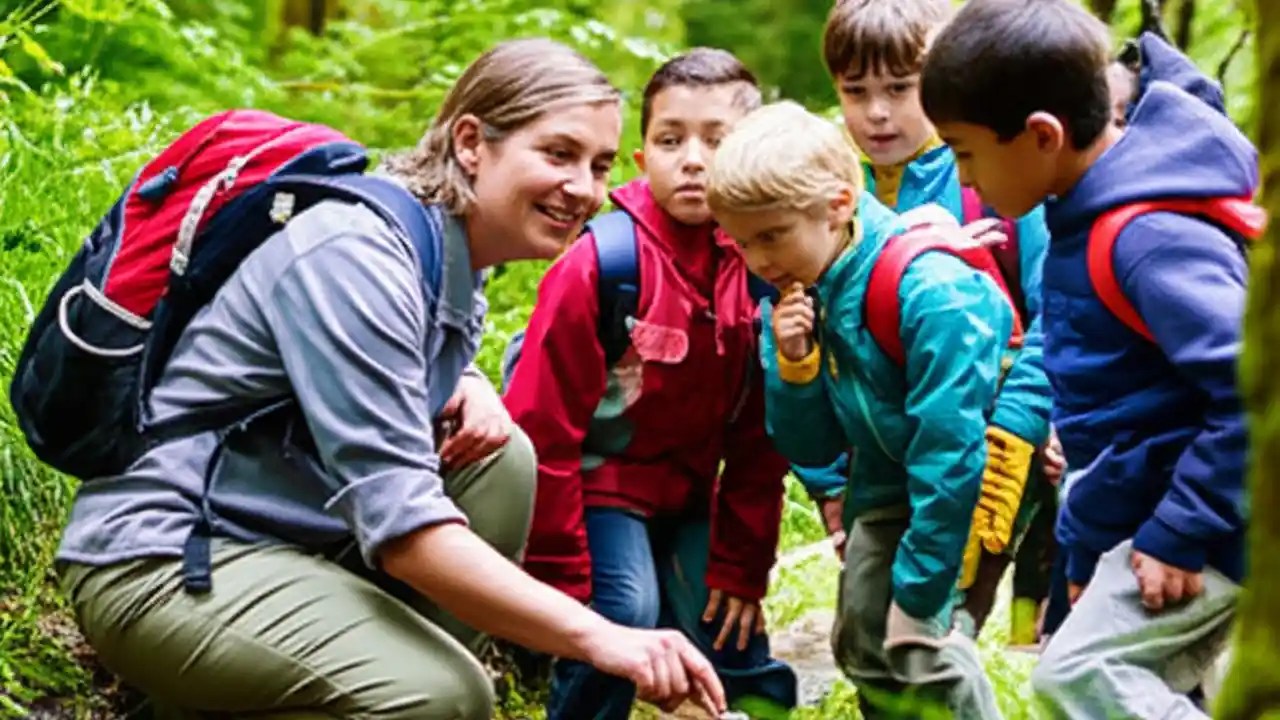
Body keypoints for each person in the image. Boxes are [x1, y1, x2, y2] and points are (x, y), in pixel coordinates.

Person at [51, 38, 727, 720]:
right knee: (442, 696)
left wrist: (465, 377)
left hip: (281, 536)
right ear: (470, 143)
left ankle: (296, 686)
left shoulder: (453, 250)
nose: (583, 187)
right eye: (557, 154)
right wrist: (604, 638)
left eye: (600, 164)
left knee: (501, 463)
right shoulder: (357, 254)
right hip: (165, 559)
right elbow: (405, 532)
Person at [921, 3, 1257, 718]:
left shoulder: (1144, 238)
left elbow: (1253, 392)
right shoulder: (1078, 214)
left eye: (965, 152)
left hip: (1213, 527)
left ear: (1041, 136)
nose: (966, 178)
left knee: (1077, 676)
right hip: (1147, 524)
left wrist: (1179, 533)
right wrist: (1088, 554)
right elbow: (1115, 412)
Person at [502, 47, 797, 720]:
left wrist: (742, 564)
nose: (692, 159)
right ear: (642, 157)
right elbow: (541, 426)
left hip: (694, 494)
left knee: (731, 627)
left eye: (716, 141)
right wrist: (559, 574)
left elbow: (761, 437)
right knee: (623, 615)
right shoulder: (602, 264)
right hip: (601, 488)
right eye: (670, 139)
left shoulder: (762, 269)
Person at [708, 99, 1011, 720]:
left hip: (968, 478)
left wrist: (923, 587)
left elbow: (952, 450)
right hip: (883, 479)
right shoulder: (800, 291)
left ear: (839, 205)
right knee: (861, 642)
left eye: (772, 235)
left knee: (918, 644)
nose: (759, 261)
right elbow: (812, 447)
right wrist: (794, 367)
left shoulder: (927, 290)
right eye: (743, 243)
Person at [815, 0, 1058, 648]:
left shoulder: (989, 171)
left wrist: (1021, 425)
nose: (877, 112)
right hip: (877, 459)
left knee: (941, 634)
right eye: (855, 90)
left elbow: (1056, 309)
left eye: (900, 88)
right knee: (868, 631)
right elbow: (807, 333)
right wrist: (827, 480)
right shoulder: (826, 187)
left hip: (993, 441)